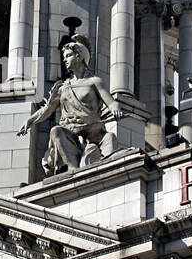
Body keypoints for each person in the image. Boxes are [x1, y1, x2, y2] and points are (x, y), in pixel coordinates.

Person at [18, 38, 122, 175]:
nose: (65, 60)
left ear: (79, 56)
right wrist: (30, 120)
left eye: (68, 56)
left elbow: (111, 102)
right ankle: (71, 170)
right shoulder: (63, 87)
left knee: (110, 142)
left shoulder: (94, 82)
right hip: (71, 134)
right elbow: (47, 109)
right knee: (56, 131)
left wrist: (115, 108)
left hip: (94, 134)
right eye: (64, 57)